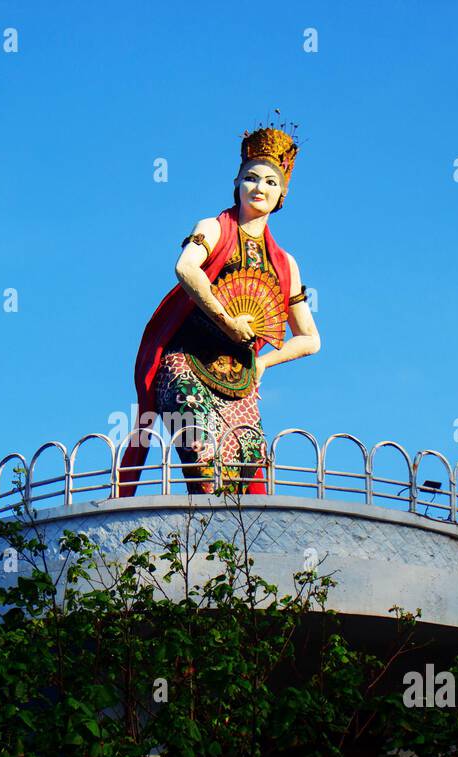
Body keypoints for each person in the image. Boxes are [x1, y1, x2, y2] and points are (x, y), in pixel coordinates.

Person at [117, 122, 322, 496]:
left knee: (245, 462)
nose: (260, 188)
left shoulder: (285, 265)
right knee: (200, 447)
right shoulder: (213, 228)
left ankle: (222, 548)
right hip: (186, 363)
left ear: (282, 197)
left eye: (271, 183)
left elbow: (310, 339)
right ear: (237, 183)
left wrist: (262, 362)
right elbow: (185, 268)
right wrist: (227, 321)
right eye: (252, 178)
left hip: (239, 379)